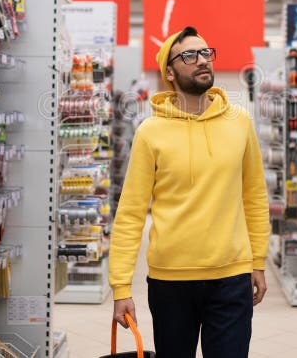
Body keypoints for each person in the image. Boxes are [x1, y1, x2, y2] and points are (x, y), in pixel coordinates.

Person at [109, 26, 270, 358]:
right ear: (169, 71)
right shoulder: (150, 132)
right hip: (170, 281)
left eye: (206, 53)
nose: (202, 61)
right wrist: (121, 286)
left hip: (231, 276)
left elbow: (254, 196)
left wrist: (258, 261)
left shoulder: (240, 122)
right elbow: (130, 213)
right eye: (189, 55)